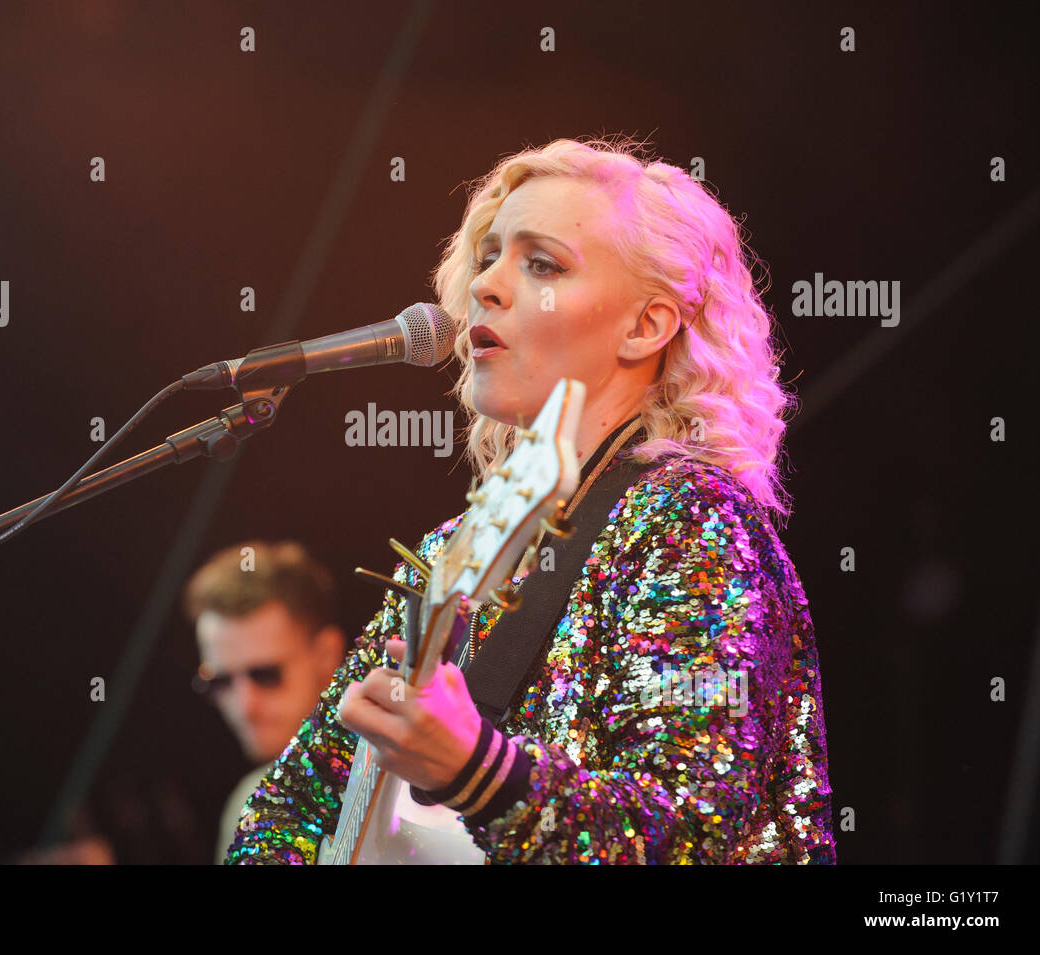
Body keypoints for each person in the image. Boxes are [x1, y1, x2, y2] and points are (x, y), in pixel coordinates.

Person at [225, 135, 836, 864]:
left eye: (541, 263)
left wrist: (478, 773)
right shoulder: (450, 549)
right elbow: (283, 810)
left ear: (646, 326)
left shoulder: (689, 522)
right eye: (488, 255)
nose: (485, 285)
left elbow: (690, 830)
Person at [184, 540, 346, 864]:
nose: (244, 706)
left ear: (326, 655)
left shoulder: (394, 763)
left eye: (266, 674)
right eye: (221, 682)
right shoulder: (247, 802)